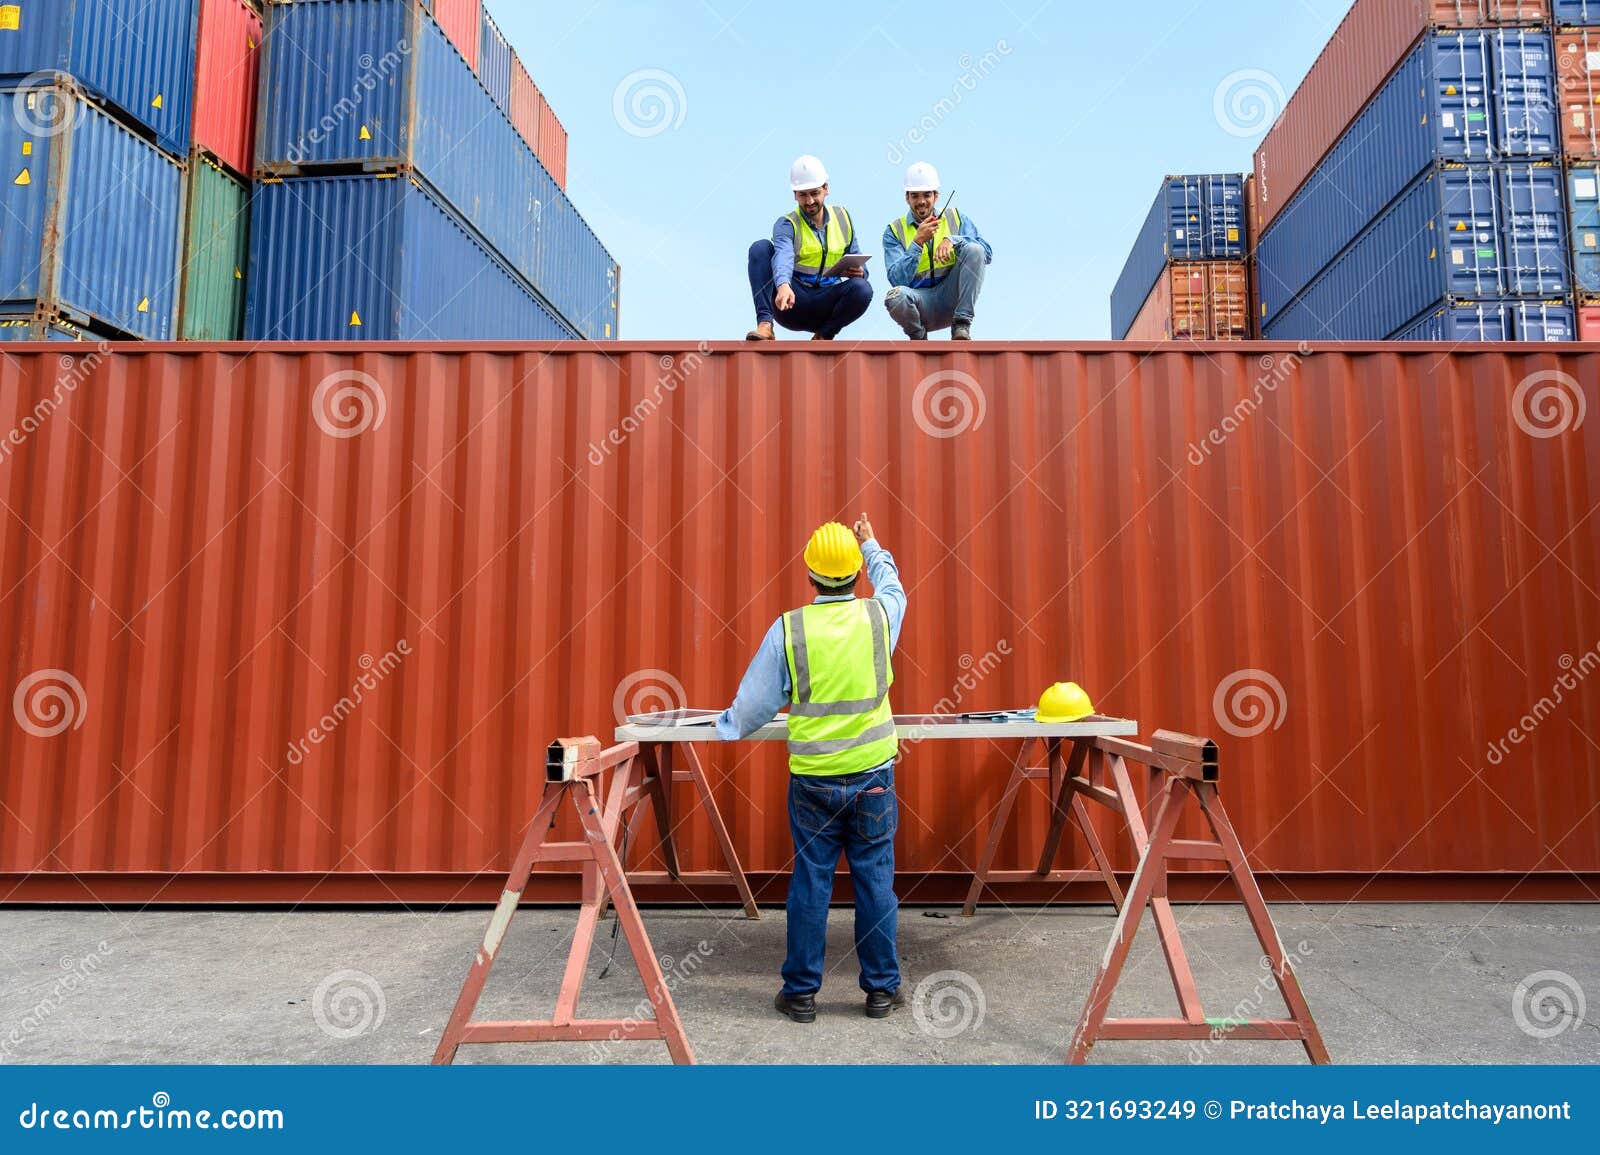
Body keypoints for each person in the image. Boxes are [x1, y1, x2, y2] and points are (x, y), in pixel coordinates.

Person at [716, 514, 906, 1023]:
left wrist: (723, 726)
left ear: (810, 575)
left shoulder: (791, 628)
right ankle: (881, 991)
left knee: (811, 883)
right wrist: (872, 544)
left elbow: (754, 706)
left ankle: (800, 993)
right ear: (854, 574)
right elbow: (894, 586)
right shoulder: (879, 617)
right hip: (872, 777)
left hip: (814, 783)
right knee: (874, 883)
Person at [746, 156, 873, 342]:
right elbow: (783, 256)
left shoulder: (843, 218)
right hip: (792, 302)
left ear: (826, 189)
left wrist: (860, 273)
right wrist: (783, 285)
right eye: (803, 194)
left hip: (827, 304)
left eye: (815, 193)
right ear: (795, 194)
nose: (810, 201)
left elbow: (859, 260)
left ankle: (823, 336)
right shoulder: (787, 224)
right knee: (760, 248)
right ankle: (765, 325)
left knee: (863, 288)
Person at [882, 162, 993, 340]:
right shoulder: (894, 231)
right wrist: (917, 243)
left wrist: (953, 240)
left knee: (974, 249)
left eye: (927, 195)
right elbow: (896, 280)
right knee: (895, 297)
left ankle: (962, 324)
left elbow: (986, 252)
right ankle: (919, 338)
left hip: (952, 299)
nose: (921, 201)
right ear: (907, 198)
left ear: (936, 195)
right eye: (915, 196)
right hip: (920, 304)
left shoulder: (955, 218)